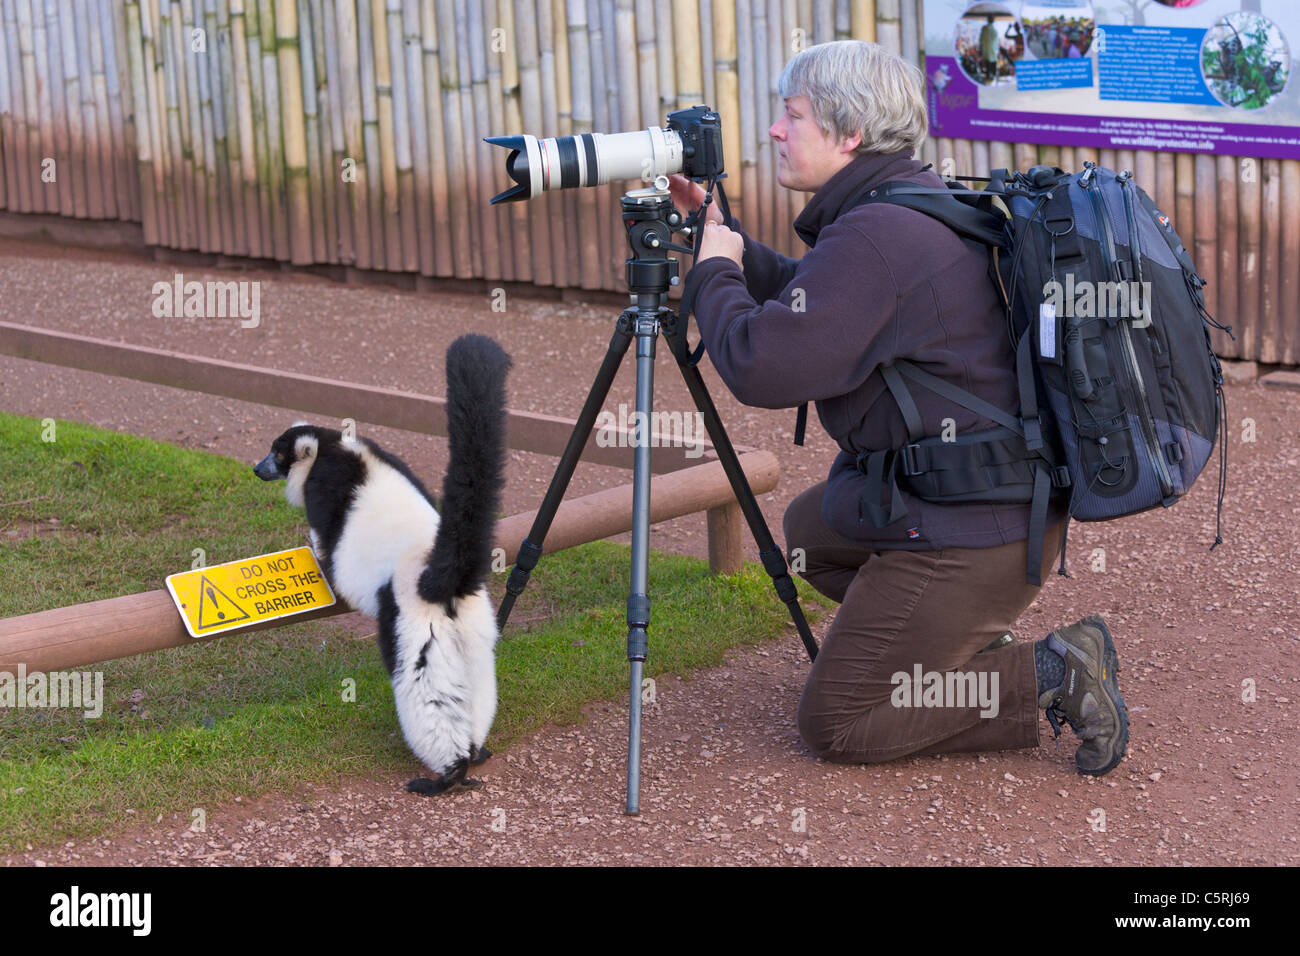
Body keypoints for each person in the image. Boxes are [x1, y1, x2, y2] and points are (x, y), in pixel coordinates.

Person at [668, 40, 1129, 776]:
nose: (775, 131)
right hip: (990, 507)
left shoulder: (878, 234)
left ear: (849, 133)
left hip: (974, 531)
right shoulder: (902, 204)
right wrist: (719, 242)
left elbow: (764, 363)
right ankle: (951, 643)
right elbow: (822, 303)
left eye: (792, 116)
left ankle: (1052, 670)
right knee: (808, 534)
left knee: (839, 722)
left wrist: (712, 277)